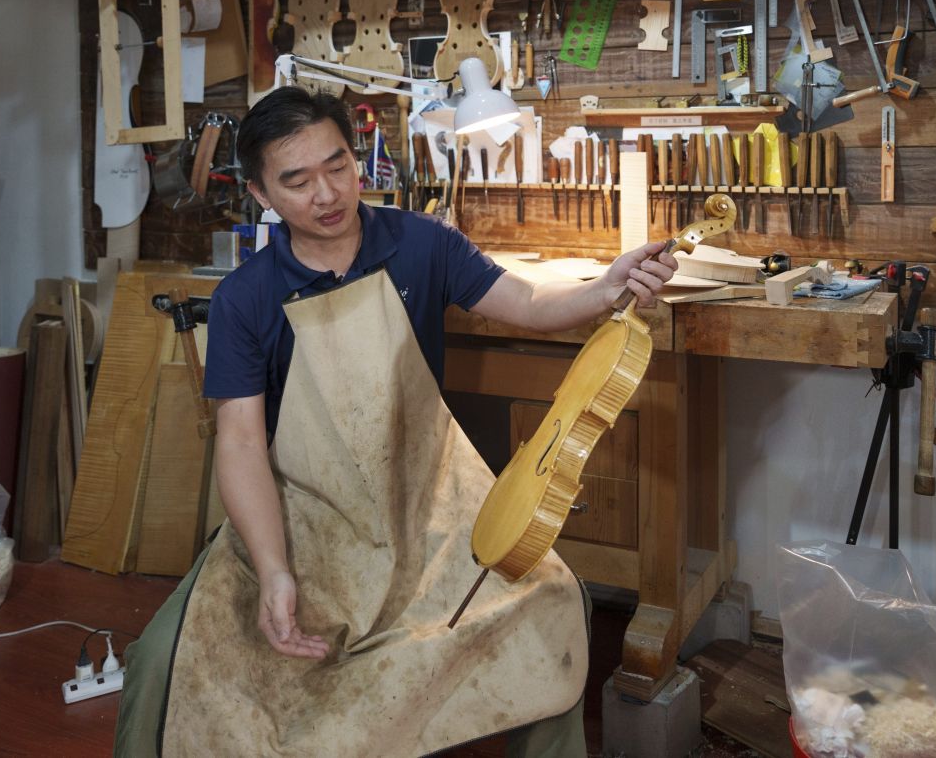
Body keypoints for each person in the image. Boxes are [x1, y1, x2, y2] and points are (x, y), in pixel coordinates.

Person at [114, 86, 678, 758]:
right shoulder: (246, 296)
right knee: (158, 664)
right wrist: (273, 570)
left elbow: (522, 300)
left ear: (358, 162)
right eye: (297, 181)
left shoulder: (421, 242)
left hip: (424, 506)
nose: (326, 194)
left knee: (554, 600)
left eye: (337, 167)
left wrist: (606, 289)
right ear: (262, 195)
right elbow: (239, 442)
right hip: (306, 515)